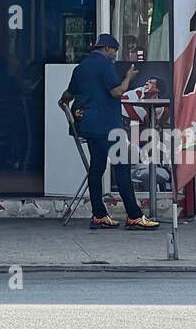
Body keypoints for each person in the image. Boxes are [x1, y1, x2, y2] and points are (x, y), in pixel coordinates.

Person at [58, 34, 159, 230]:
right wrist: (128, 78)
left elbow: (68, 95)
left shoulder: (81, 68)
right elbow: (117, 92)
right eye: (115, 50)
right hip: (108, 125)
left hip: (89, 126)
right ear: (107, 49)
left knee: (96, 169)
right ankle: (134, 216)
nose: (115, 54)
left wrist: (62, 103)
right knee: (122, 167)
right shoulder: (105, 65)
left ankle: (99, 215)